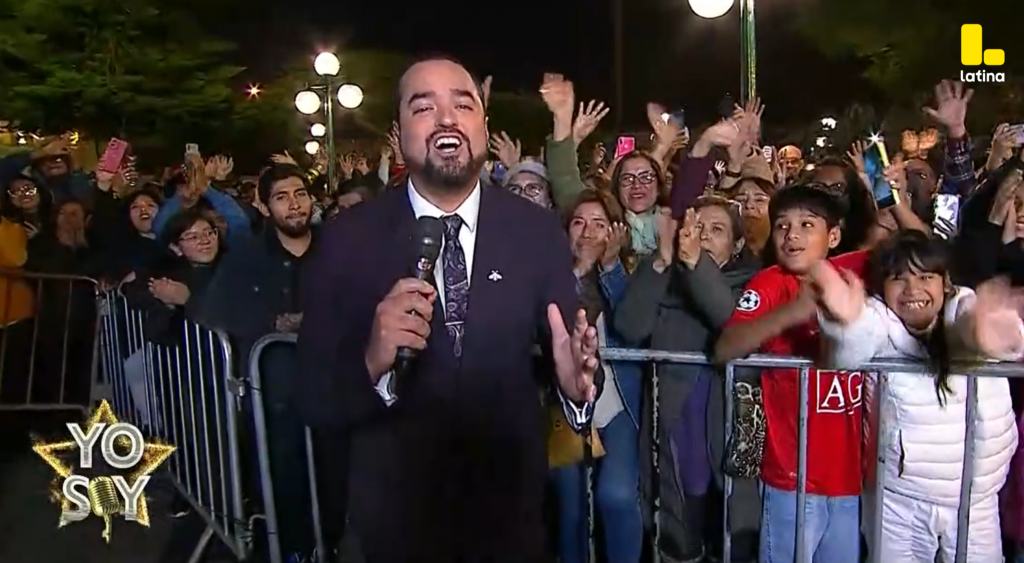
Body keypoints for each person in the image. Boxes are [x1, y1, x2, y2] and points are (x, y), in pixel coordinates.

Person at [293, 54, 601, 562]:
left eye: (463, 104)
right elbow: (311, 397)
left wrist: (575, 387)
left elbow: (574, 353)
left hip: (509, 520)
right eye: (423, 107)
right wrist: (372, 361)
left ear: (483, 126)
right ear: (399, 133)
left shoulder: (536, 231)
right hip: (393, 523)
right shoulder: (347, 240)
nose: (447, 118)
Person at [815, 231, 1020, 563]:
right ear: (883, 287)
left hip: (975, 498)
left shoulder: (965, 306)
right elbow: (854, 345)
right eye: (899, 279)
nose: (913, 290)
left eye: (925, 276)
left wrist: (990, 332)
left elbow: (969, 328)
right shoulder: (877, 317)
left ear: (945, 283)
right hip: (900, 499)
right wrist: (844, 324)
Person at [714, 185, 869, 563]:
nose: (792, 234)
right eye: (781, 226)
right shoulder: (769, 282)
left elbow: (911, 251)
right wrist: (793, 312)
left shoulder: (850, 272)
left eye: (806, 224)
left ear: (833, 236)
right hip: (792, 477)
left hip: (849, 478)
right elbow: (724, 348)